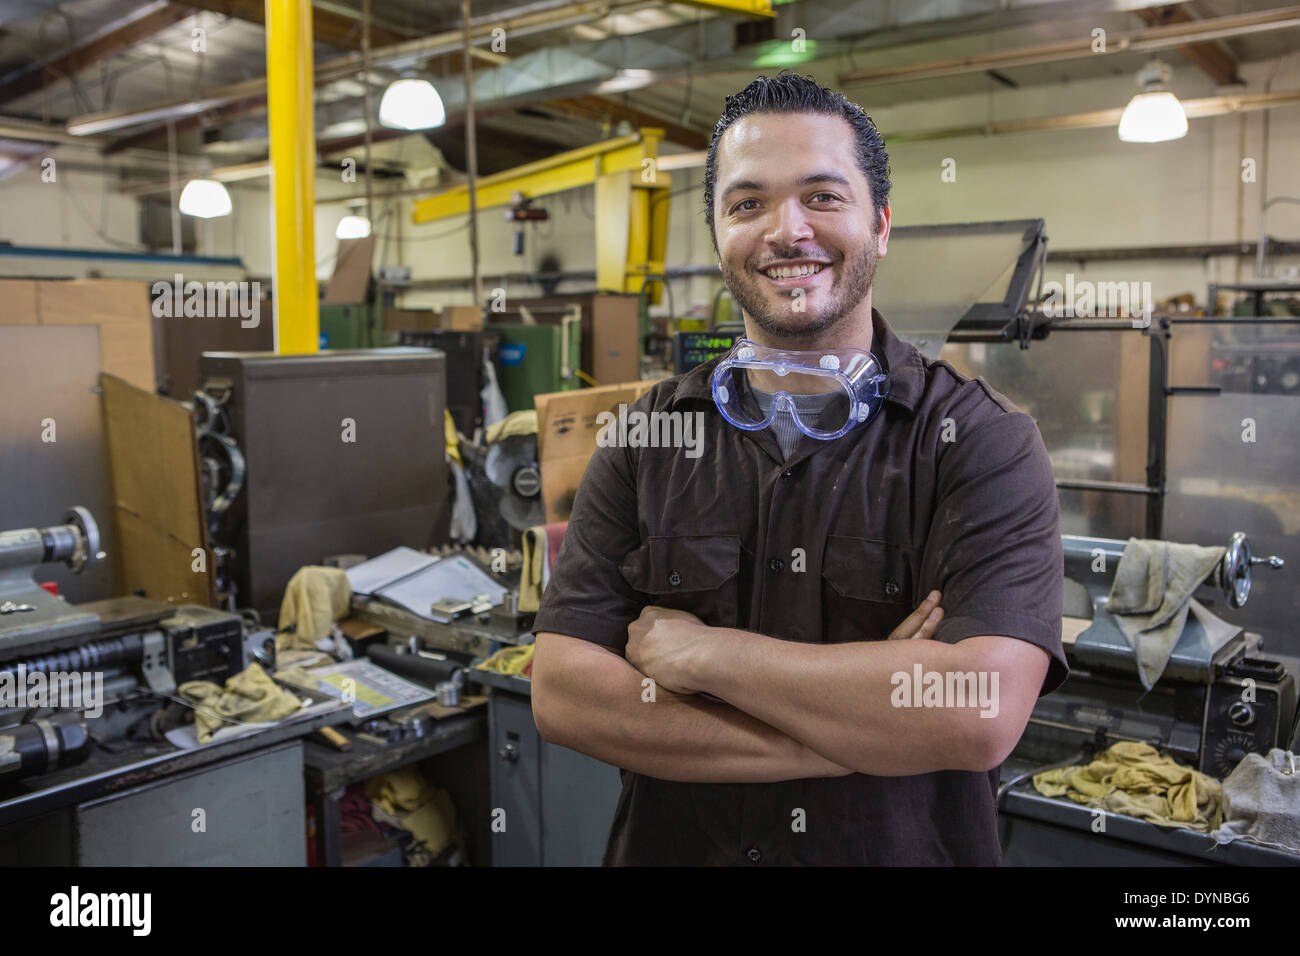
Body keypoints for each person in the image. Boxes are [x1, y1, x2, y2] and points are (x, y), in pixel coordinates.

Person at [530, 72, 1066, 865]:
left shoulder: (982, 443)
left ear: (880, 225)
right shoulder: (646, 438)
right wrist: (867, 726)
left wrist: (709, 656)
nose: (787, 231)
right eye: (748, 204)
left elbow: (977, 708)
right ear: (718, 233)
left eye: (822, 196)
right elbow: (566, 695)